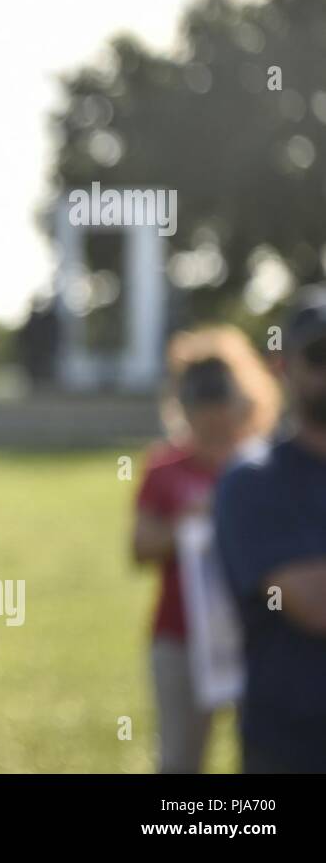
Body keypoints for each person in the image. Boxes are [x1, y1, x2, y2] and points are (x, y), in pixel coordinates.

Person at [131, 326, 280, 773]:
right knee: (180, 760)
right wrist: (188, 523)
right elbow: (140, 548)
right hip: (180, 637)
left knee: (269, 756)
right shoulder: (165, 466)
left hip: (260, 635)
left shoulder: (267, 466)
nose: (212, 421)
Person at [215, 288, 326, 773]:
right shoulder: (255, 479)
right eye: (321, 355)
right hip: (291, 746)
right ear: (284, 367)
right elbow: (315, 605)